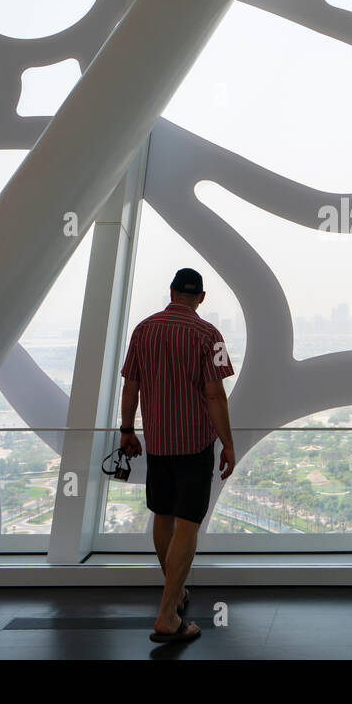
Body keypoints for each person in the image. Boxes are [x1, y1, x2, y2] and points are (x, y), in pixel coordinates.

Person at [118, 267, 236, 643]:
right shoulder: (209, 335)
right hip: (194, 445)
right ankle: (167, 615)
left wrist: (126, 430)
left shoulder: (142, 329)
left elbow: (131, 385)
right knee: (188, 523)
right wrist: (228, 443)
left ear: (171, 292)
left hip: (158, 443)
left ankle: (176, 593)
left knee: (163, 516)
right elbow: (215, 395)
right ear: (201, 297)